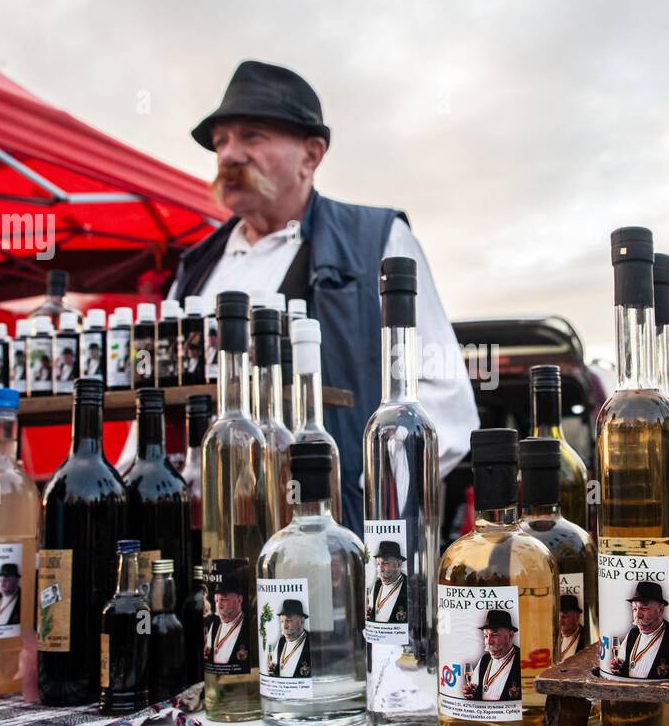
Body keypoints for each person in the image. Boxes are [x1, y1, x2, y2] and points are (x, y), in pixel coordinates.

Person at [168, 61, 479, 537]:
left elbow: (444, 400)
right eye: (221, 141)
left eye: (251, 136)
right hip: (205, 536)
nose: (229, 154)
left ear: (311, 156)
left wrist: (363, 494)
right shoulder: (196, 268)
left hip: (330, 538)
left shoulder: (377, 239)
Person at [609, 580, 669, 679]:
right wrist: (618, 667)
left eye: (644, 608)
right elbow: (621, 663)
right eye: (635, 609)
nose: (638, 615)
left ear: (660, 610)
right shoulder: (632, 634)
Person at [462, 609, 522, 701]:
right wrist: (472, 692)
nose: (489, 642)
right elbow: (474, 689)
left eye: (494, 635)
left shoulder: (522, 659)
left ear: (510, 636)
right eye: (486, 636)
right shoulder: (484, 660)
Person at [204, 573, 250, 669]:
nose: (219, 606)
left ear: (239, 599)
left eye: (224, 599)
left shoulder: (248, 626)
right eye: (216, 600)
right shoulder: (215, 624)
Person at [366, 540, 407, 624]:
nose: (380, 569)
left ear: (399, 564)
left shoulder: (408, 587)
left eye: (385, 563)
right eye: (378, 563)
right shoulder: (377, 585)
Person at [269, 599, 310, 678]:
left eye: (288, 620)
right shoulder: (281, 641)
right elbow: (275, 667)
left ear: (301, 621)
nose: (284, 626)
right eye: (281, 621)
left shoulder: (311, 642)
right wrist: (273, 671)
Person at [558, 593, 587, 659]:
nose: (560, 622)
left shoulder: (587, 638)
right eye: (557, 618)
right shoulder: (550, 638)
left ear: (577, 616)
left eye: (564, 617)